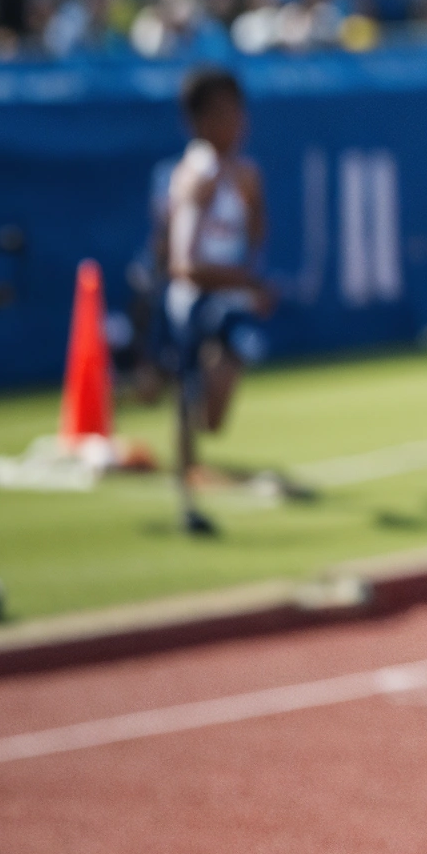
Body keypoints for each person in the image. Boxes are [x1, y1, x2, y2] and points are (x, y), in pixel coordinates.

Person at [165, 66, 272, 536]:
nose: (239, 122)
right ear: (202, 121)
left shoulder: (241, 173)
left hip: (227, 298)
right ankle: (186, 497)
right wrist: (245, 284)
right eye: (227, 113)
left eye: (239, 111)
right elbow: (184, 264)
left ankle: (188, 473)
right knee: (191, 400)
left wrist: (253, 202)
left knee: (212, 413)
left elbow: (255, 236)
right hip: (197, 301)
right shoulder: (197, 178)